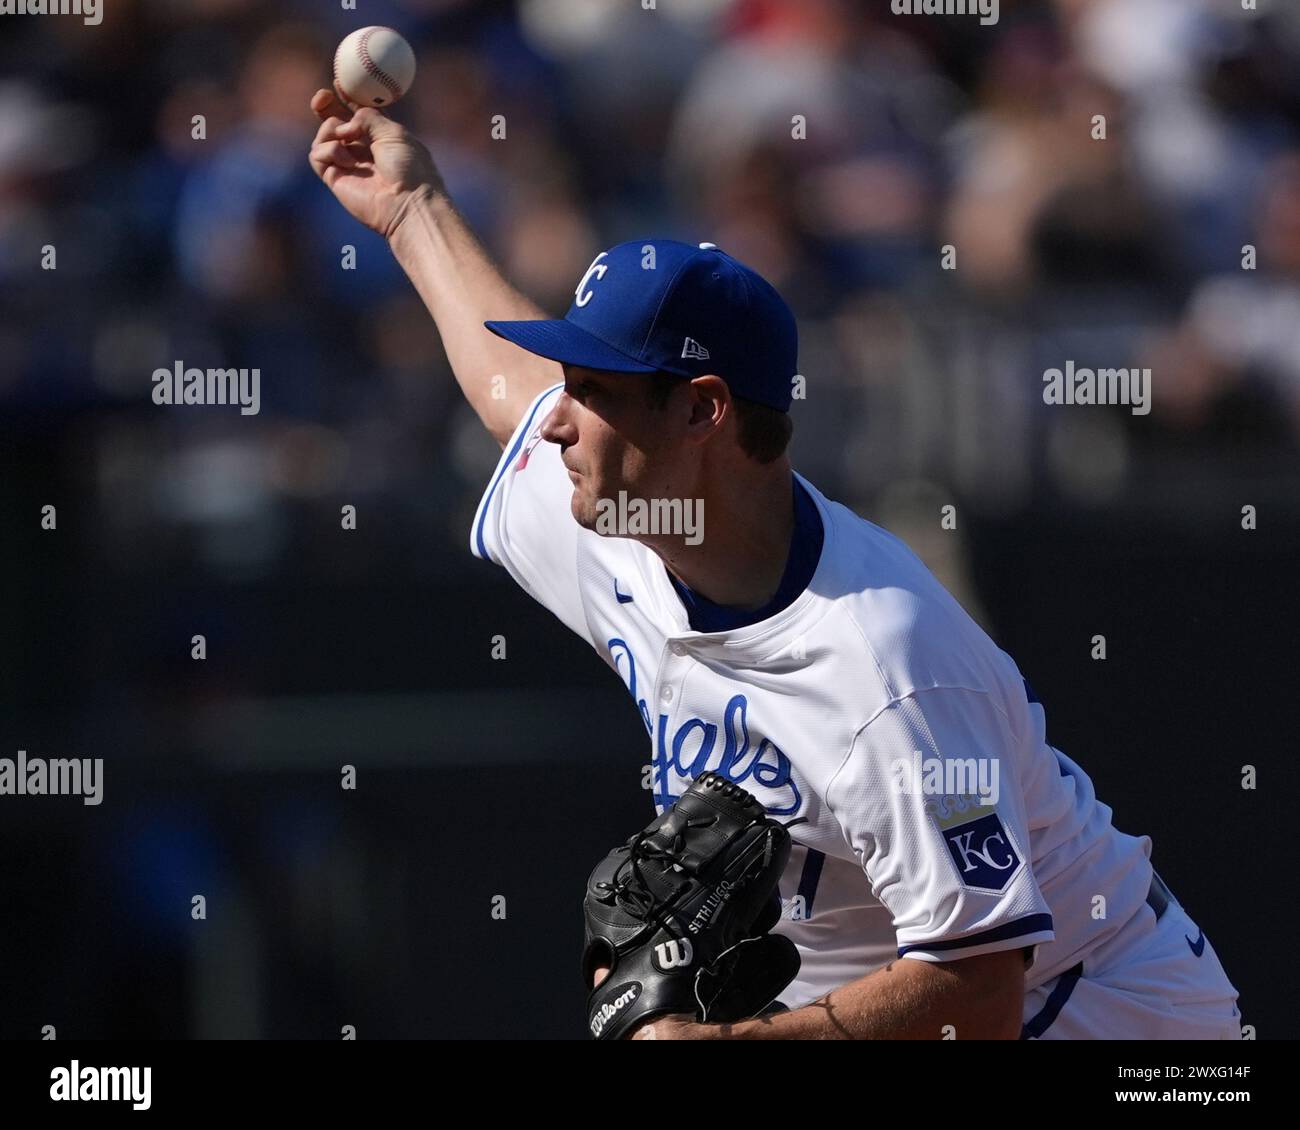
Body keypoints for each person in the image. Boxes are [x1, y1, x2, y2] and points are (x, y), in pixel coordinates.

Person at [308, 90, 1241, 1040]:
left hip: (1114, 1022)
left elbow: (979, 991)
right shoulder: (622, 516)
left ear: (701, 412)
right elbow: (509, 388)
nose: (557, 416)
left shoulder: (886, 666)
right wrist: (412, 207)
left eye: (591, 388)